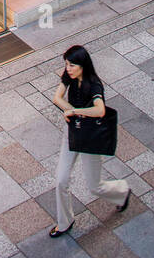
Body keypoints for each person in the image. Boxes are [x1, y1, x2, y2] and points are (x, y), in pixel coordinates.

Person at [49, 44, 130, 237]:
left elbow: (100, 110)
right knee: (61, 179)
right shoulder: (70, 75)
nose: (67, 68)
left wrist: (75, 111)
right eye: (66, 64)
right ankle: (64, 222)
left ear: (82, 65)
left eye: (71, 65)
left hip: (90, 138)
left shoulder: (94, 84)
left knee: (95, 187)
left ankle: (122, 191)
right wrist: (69, 110)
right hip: (73, 132)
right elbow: (56, 97)